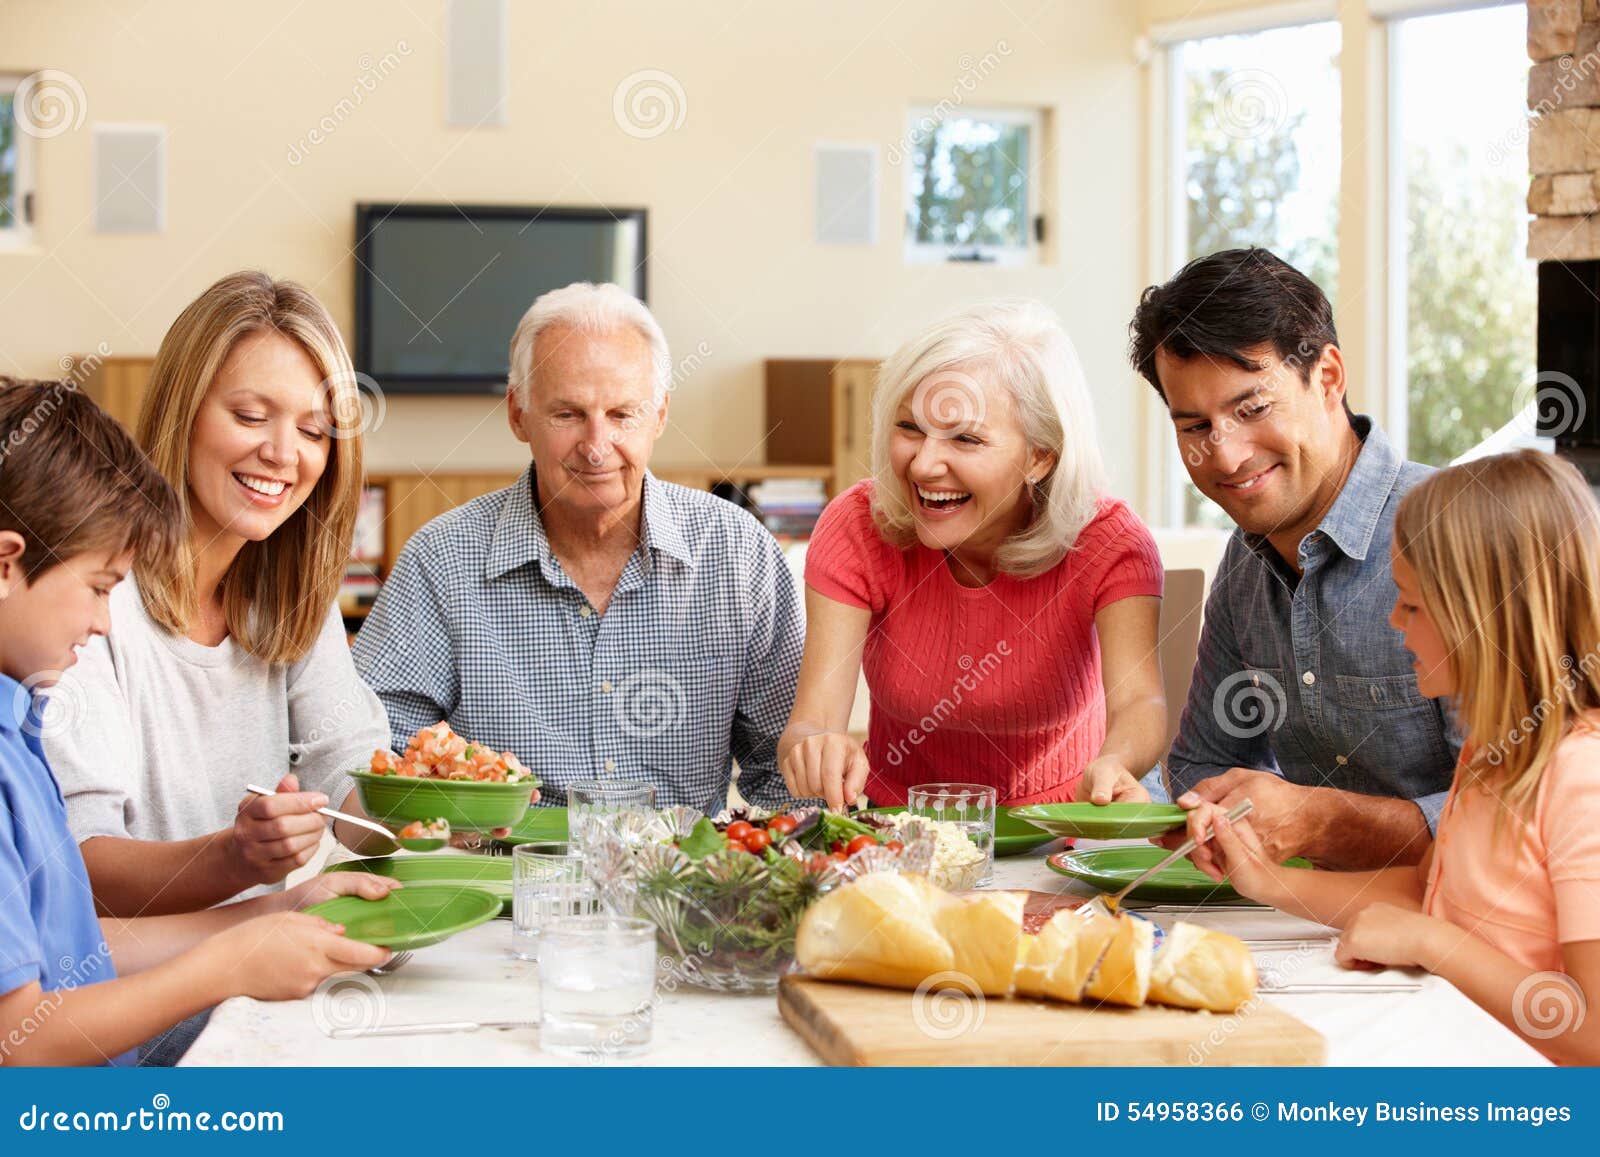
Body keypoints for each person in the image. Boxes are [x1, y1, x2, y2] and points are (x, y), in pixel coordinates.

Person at [0, 378, 396, 1067]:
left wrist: (273, 913)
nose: (101, 620)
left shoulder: (18, 725)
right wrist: (227, 965)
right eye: (98, 589)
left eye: (312, 430)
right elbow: (17, 1041)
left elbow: (75, 949)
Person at [1190, 451, 1600, 1065]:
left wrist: (1432, 943)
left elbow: (1591, 1032)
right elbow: (1429, 891)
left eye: (1410, 604)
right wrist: (1269, 882)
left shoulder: (1580, 777)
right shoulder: (1491, 752)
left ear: (1481, 620)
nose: (1394, 621)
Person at [45, 271, 420, 920]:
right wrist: (236, 860)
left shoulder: (294, 592)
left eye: (314, 430)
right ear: (181, 411)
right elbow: (84, 866)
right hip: (132, 996)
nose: (282, 453)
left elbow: (350, 782)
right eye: (250, 415)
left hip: (257, 980)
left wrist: (435, 806)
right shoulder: (96, 597)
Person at [353, 282, 805, 815]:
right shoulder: (442, 558)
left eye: (622, 415)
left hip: (681, 885)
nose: (595, 447)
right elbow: (376, 756)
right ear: (517, 414)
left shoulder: (737, 551)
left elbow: (786, 770)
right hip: (503, 885)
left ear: (659, 414)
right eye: (567, 414)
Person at [1110, 247, 1457, 869]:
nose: (1227, 456)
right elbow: (1208, 764)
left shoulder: (1455, 534)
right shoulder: (1245, 563)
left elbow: (1521, 814)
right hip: (1313, 926)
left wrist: (1320, 823)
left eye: (1251, 409)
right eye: (1195, 427)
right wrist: (1162, 805)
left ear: (1327, 378)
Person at [779, 300, 1166, 809]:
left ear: (1040, 457)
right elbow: (811, 720)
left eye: (965, 438)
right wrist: (814, 748)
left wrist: (1116, 762)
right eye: (910, 428)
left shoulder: (1109, 541)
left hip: (1065, 828)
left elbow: (1141, 701)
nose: (923, 464)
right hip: (906, 830)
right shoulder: (858, 525)